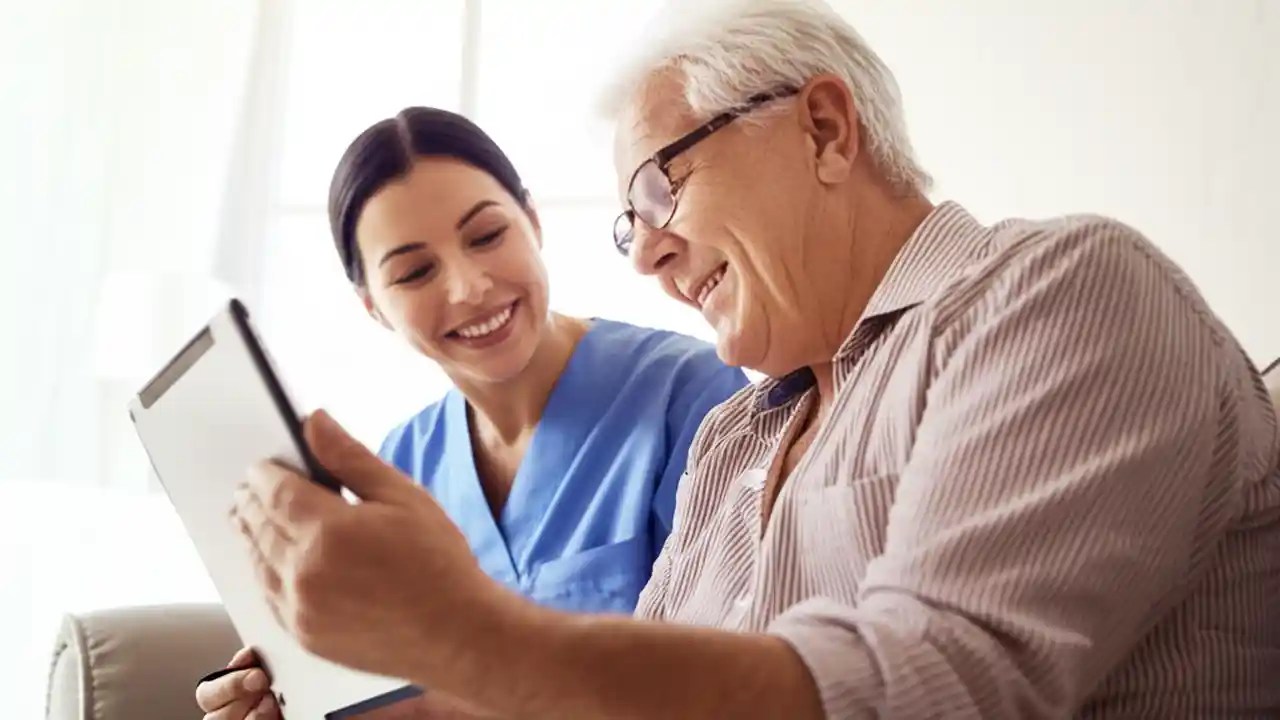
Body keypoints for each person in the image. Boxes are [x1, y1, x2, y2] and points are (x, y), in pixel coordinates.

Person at [229, 0, 1280, 717]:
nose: (642, 251)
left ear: (824, 129)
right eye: (625, 222)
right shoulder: (738, 436)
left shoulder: (1055, 292)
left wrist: (462, 631)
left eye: (657, 190)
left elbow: (935, 691)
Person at [196, 107, 748, 719]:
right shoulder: (399, 465)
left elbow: (723, 687)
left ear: (533, 221)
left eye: (487, 236)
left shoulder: (691, 397)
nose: (468, 287)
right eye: (413, 271)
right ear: (372, 306)